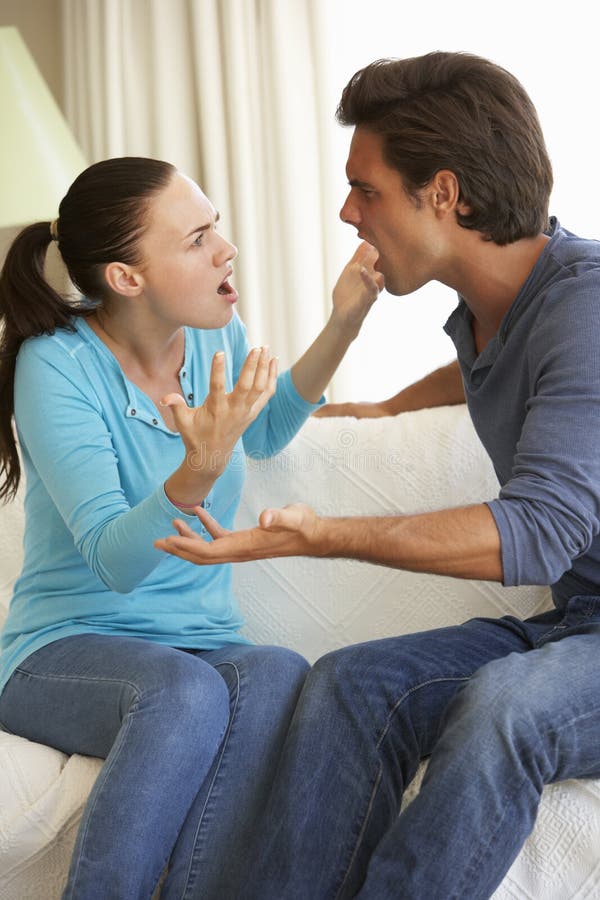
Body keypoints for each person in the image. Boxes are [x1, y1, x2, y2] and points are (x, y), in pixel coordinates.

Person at [156, 51, 600, 900]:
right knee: (351, 684)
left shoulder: (587, 303)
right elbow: (505, 374)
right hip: (578, 628)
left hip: (578, 641)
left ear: (444, 193)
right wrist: (383, 408)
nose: (347, 211)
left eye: (367, 190)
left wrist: (323, 536)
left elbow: (541, 533)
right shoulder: (497, 311)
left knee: (507, 708)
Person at [0, 156, 383, 900]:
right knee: (184, 693)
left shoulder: (213, 334)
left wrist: (345, 320)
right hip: (65, 649)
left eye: (216, 229)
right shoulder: (56, 366)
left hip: (200, 639)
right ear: (127, 277)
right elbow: (112, 560)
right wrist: (198, 468)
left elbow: (264, 431)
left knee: (276, 673)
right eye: (198, 239)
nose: (225, 250)